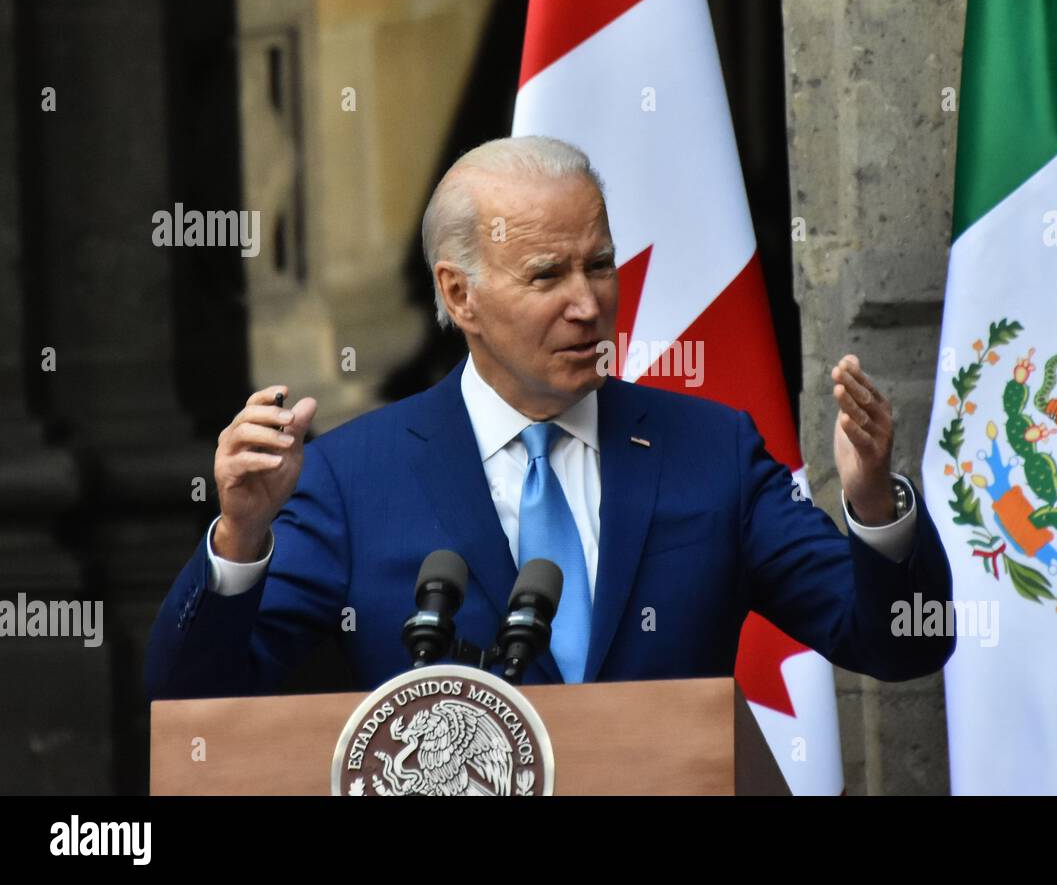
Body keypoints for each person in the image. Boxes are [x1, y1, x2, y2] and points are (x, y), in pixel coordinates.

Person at [145, 136, 955, 699]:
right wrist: (240, 538)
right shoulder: (355, 478)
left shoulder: (711, 451)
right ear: (459, 294)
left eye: (600, 265)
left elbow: (903, 645)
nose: (588, 303)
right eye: (547, 275)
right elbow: (193, 699)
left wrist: (877, 508)